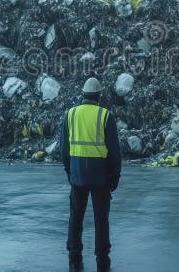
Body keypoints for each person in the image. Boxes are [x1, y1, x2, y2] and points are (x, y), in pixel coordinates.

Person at [60, 77, 122, 272]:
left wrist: (70, 171)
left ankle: (73, 250)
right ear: (99, 96)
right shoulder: (105, 116)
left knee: (75, 216)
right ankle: (102, 253)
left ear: (83, 94)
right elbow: (114, 151)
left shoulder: (70, 114)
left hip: (77, 175)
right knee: (101, 218)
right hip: (100, 177)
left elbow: (64, 148)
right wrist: (115, 176)